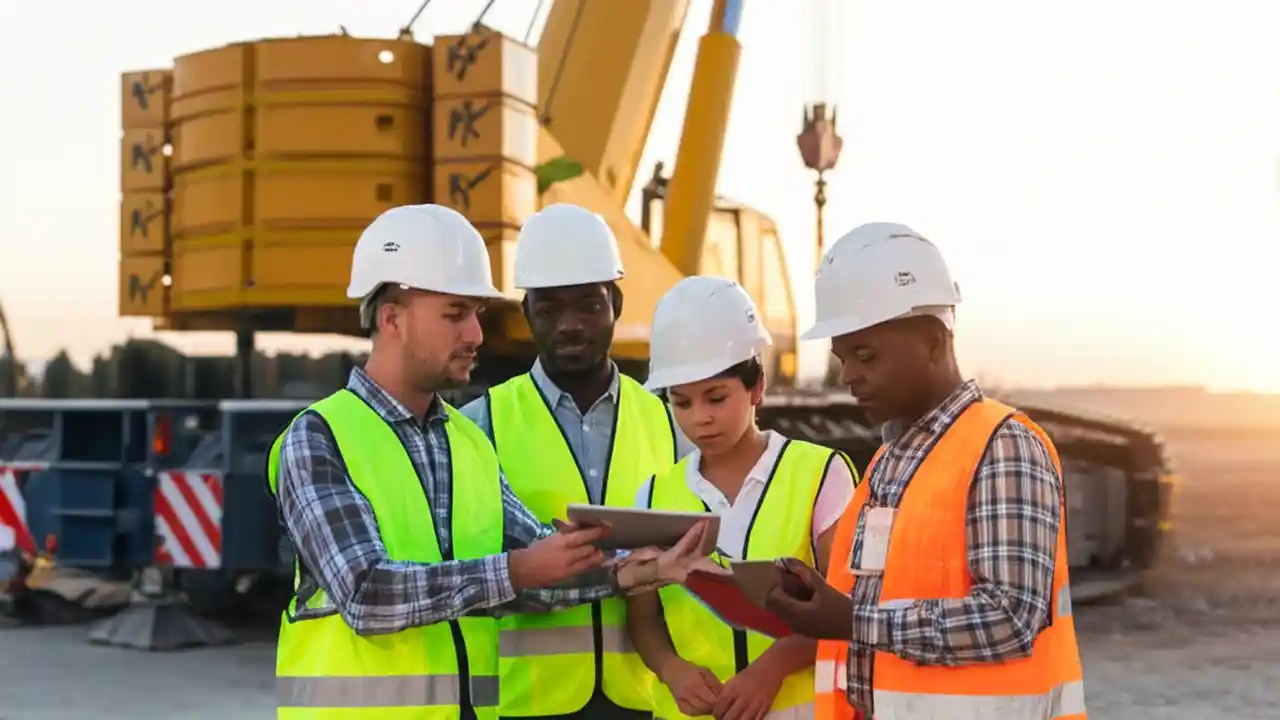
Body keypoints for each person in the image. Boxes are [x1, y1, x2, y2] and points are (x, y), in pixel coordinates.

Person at [265, 203, 711, 720]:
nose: (476, 335)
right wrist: (520, 569)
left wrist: (637, 573)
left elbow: (543, 565)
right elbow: (366, 594)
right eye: (456, 314)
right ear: (392, 318)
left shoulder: (468, 444)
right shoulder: (319, 437)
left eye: (477, 314)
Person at [765, 223, 1087, 720]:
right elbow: (886, 596)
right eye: (842, 357)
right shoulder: (887, 461)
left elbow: (1011, 618)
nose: (848, 375)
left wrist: (853, 620)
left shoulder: (1002, 446)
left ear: (933, 343)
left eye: (865, 355)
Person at [460, 203, 697, 720]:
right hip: (525, 700)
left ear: (615, 303)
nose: (570, 325)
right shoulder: (480, 424)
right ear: (528, 315)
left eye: (588, 305)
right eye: (550, 309)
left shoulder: (668, 422)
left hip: (640, 694)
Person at [626, 276, 859, 720]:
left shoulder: (819, 475)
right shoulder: (654, 495)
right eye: (682, 403)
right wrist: (672, 670)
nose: (700, 419)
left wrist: (772, 668)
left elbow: (849, 609)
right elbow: (644, 616)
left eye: (716, 398)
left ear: (756, 387)